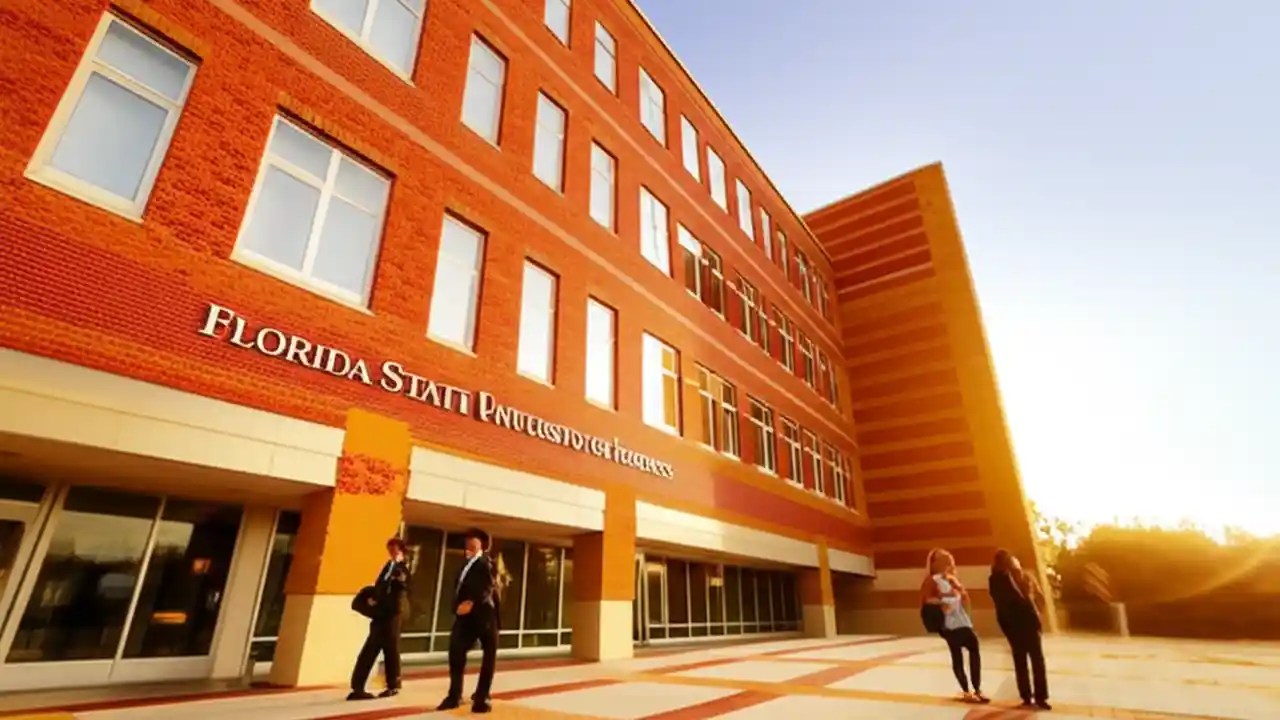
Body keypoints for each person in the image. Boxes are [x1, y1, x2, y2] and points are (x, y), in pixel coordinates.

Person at [437, 528, 501, 714]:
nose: (470, 544)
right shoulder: (464, 565)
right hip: (464, 618)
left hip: (485, 616)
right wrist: (456, 607)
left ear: (482, 545)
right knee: (456, 652)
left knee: (488, 658)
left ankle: (482, 698)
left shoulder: (487, 562)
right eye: (468, 541)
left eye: (474, 541)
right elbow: (457, 589)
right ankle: (454, 695)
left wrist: (471, 603)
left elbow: (488, 587)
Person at [921, 548, 989, 704]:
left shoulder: (951, 579)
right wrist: (943, 601)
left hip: (962, 620)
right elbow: (927, 600)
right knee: (959, 652)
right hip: (948, 623)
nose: (947, 561)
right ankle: (967, 691)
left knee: (971, 648)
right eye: (942, 559)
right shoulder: (931, 580)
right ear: (935, 563)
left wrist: (964, 604)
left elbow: (963, 596)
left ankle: (976, 689)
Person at [348, 537, 411, 700]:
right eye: (390, 549)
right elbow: (380, 586)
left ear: (401, 551)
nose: (391, 553)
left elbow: (403, 586)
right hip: (380, 615)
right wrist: (373, 599)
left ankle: (393, 685)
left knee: (391, 650)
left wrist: (400, 572)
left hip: (392, 615)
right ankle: (357, 687)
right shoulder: (388, 566)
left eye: (394, 550)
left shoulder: (403, 567)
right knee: (369, 650)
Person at [990, 549, 1051, 710]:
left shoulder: (1026, 577)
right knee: (1023, 660)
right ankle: (1028, 696)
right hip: (1015, 624)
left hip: (1028, 622)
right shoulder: (998, 579)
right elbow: (1002, 603)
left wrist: (1037, 612)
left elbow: (1039, 597)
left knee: (1034, 660)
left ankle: (1038, 697)